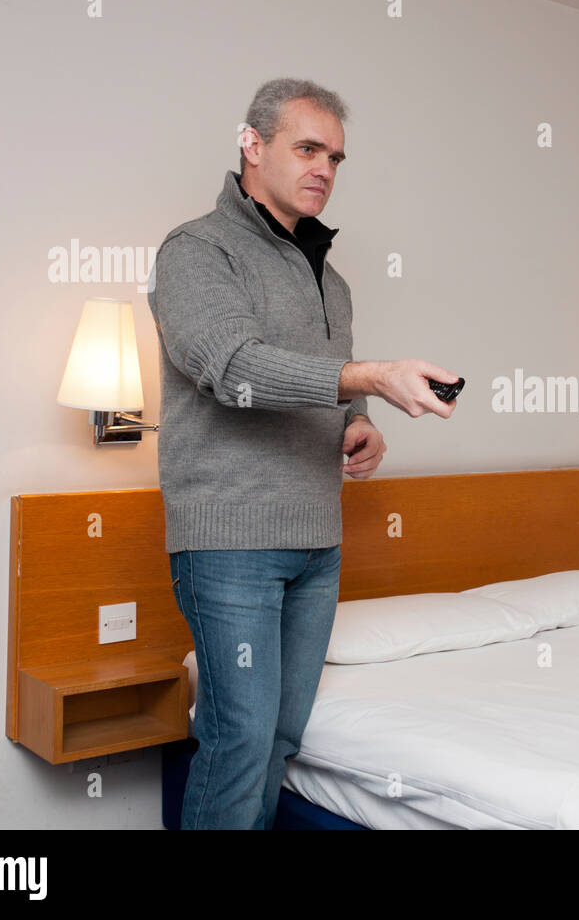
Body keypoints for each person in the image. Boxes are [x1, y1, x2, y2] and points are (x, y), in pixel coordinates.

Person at [147, 77, 458, 829]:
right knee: (240, 738)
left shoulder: (334, 281)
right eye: (307, 147)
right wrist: (371, 378)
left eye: (336, 157)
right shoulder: (196, 250)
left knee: (281, 739)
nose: (324, 167)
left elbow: (324, 384)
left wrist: (357, 419)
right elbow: (232, 365)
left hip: (318, 537)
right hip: (231, 540)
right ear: (252, 146)